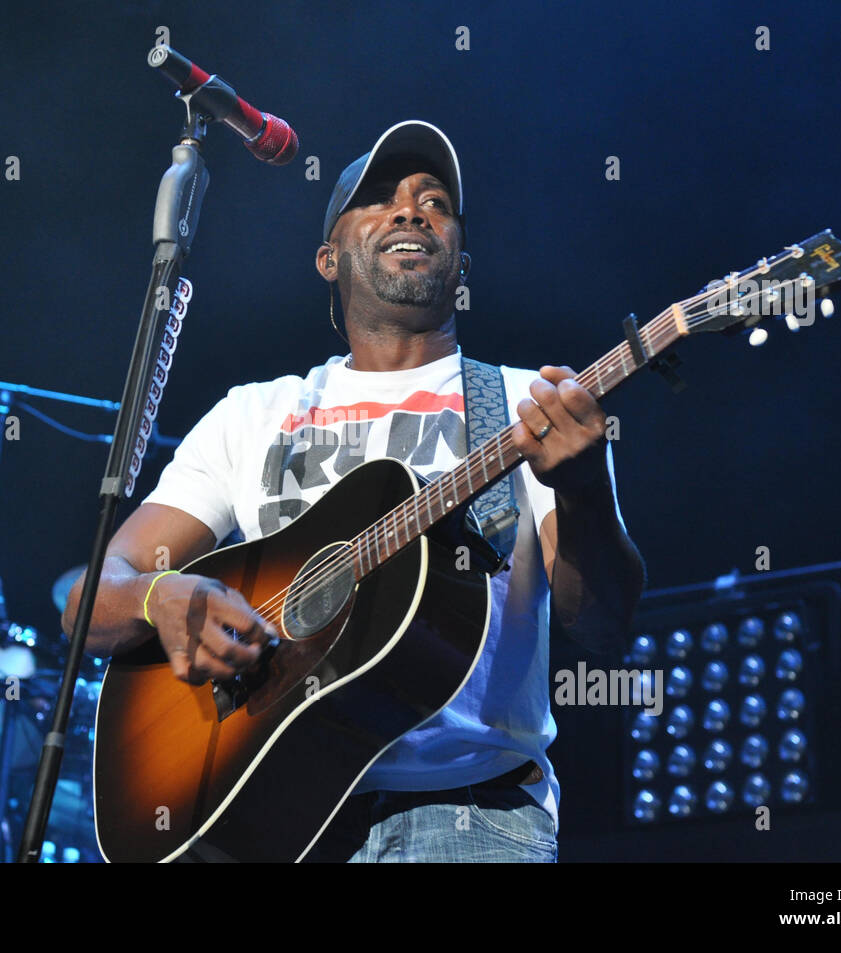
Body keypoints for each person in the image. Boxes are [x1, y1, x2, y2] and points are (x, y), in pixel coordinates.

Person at [63, 120, 645, 862]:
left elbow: (601, 626)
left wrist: (587, 488)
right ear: (328, 258)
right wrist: (159, 597)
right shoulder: (254, 413)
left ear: (460, 259)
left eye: (434, 201)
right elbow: (90, 598)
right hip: (266, 818)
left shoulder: (529, 404)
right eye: (379, 199)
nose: (411, 210)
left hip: (471, 819)